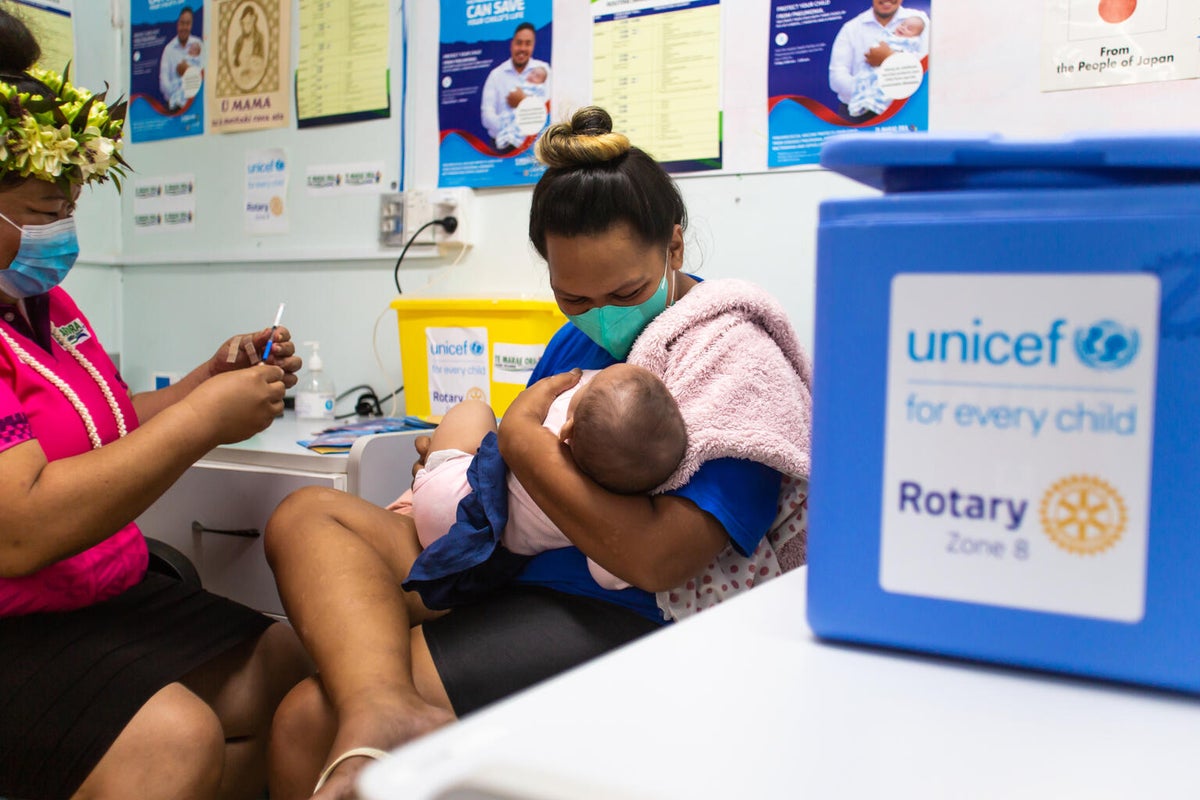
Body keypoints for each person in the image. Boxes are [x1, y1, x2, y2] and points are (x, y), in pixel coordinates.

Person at [262, 106, 812, 800]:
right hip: (513, 564)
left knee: (308, 719)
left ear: (673, 247)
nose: (600, 316)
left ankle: (380, 711)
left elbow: (658, 559)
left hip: (629, 609)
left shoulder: (732, 358)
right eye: (571, 296)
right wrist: (451, 481)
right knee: (307, 515)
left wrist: (521, 443)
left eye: (626, 292)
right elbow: (513, 487)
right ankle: (383, 706)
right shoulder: (575, 342)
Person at [0, 11, 312, 799]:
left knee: (297, 670)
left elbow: (97, 422)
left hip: (103, 591)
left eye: (68, 206)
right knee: (176, 739)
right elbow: (22, 529)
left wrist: (203, 382)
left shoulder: (39, 301)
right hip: (20, 623)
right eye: (40, 213)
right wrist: (204, 422)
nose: (60, 233)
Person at [410, 363, 688, 594]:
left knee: (474, 410)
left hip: (447, 489)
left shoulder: (557, 414)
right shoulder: (602, 517)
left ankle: (419, 485)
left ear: (568, 431)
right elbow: (609, 576)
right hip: (469, 555)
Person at [828, 0, 929, 122]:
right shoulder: (851, 28)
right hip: (858, 114)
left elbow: (929, 66)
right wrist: (867, 96)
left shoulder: (919, 21)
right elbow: (837, 76)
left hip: (906, 110)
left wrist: (889, 58)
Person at [480, 22, 551, 152]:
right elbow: (487, 114)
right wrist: (508, 133)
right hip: (502, 146)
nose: (523, 48)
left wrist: (523, 101)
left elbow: (548, 109)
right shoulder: (496, 75)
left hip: (534, 147)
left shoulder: (543, 70)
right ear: (512, 45)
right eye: (519, 43)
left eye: (528, 43)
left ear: (533, 46)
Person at [847, 15, 925, 118]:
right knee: (865, 80)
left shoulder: (911, 44)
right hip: (872, 67)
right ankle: (863, 101)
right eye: (902, 24)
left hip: (890, 74)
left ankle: (875, 103)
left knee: (881, 85)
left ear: (916, 36)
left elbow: (911, 62)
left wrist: (889, 56)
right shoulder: (886, 35)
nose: (903, 28)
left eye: (909, 29)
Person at [493, 64, 549, 151]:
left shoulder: (539, 89)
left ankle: (513, 140)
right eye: (532, 73)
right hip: (512, 115)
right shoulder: (520, 84)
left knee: (517, 128)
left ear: (542, 82)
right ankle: (506, 139)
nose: (533, 76)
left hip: (524, 119)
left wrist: (523, 99)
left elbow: (537, 103)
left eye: (537, 76)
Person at [159, 5, 204, 111]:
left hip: (195, 105)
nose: (184, 27)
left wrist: (188, 71)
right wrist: (176, 94)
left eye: (187, 24)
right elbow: (163, 82)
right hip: (175, 107)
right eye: (182, 23)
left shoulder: (198, 45)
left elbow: (204, 75)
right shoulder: (169, 50)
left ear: (191, 25)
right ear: (177, 24)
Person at [232, 4, 265, 69]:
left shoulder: (259, 38)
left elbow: (262, 60)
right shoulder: (239, 41)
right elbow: (233, 61)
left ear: (253, 20)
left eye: (248, 23)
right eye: (244, 24)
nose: (246, 27)